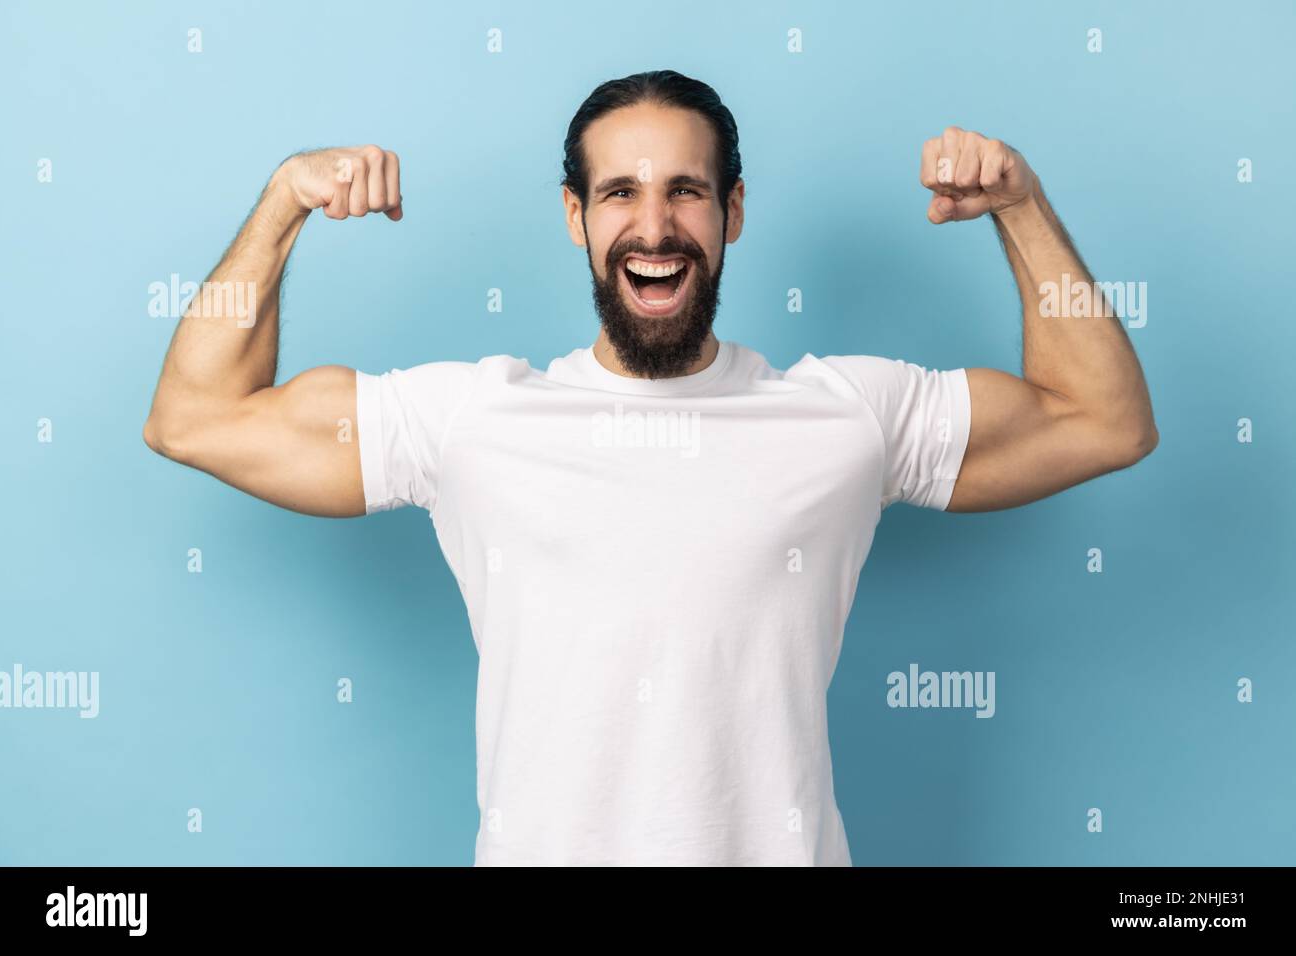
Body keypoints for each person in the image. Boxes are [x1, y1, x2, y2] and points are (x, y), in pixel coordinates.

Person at [143, 70, 1157, 866]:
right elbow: (197, 416)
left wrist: (1019, 202)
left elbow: (1100, 419)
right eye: (619, 192)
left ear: (733, 211)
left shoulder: (846, 415)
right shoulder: (473, 420)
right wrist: (284, 201)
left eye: (686, 190)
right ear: (576, 217)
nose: (655, 224)